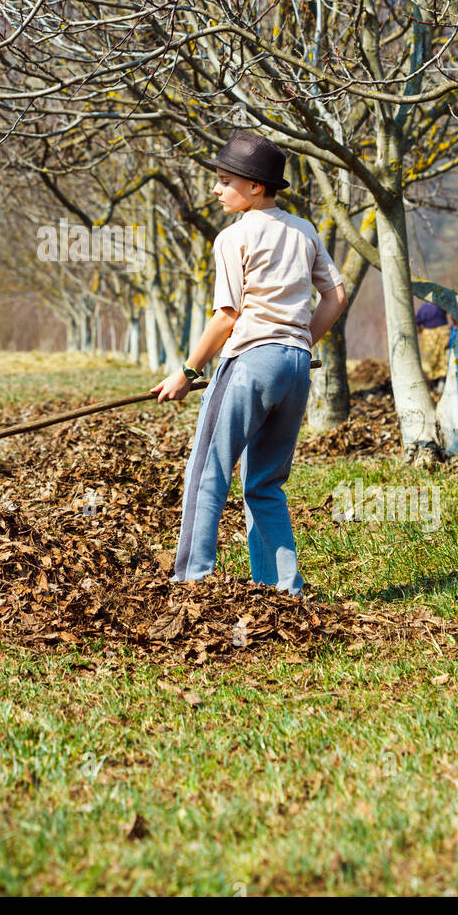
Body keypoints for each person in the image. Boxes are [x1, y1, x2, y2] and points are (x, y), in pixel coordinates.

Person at [153, 130, 348, 595]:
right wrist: (299, 341)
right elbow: (336, 296)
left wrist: (186, 372)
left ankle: (191, 582)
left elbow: (226, 318)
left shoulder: (233, 237)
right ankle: (283, 590)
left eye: (224, 181)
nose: (216, 190)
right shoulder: (304, 231)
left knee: (207, 472)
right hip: (295, 367)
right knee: (265, 483)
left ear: (256, 185)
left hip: (249, 363)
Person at [415, 300, 450, 390]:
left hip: (429, 337)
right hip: (444, 333)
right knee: (443, 358)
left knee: (430, 360)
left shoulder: (423, 309)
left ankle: (433, 384)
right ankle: (442, 382)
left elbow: (417, 326)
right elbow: (452, 313)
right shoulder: (440, 304)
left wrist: (422, 331)